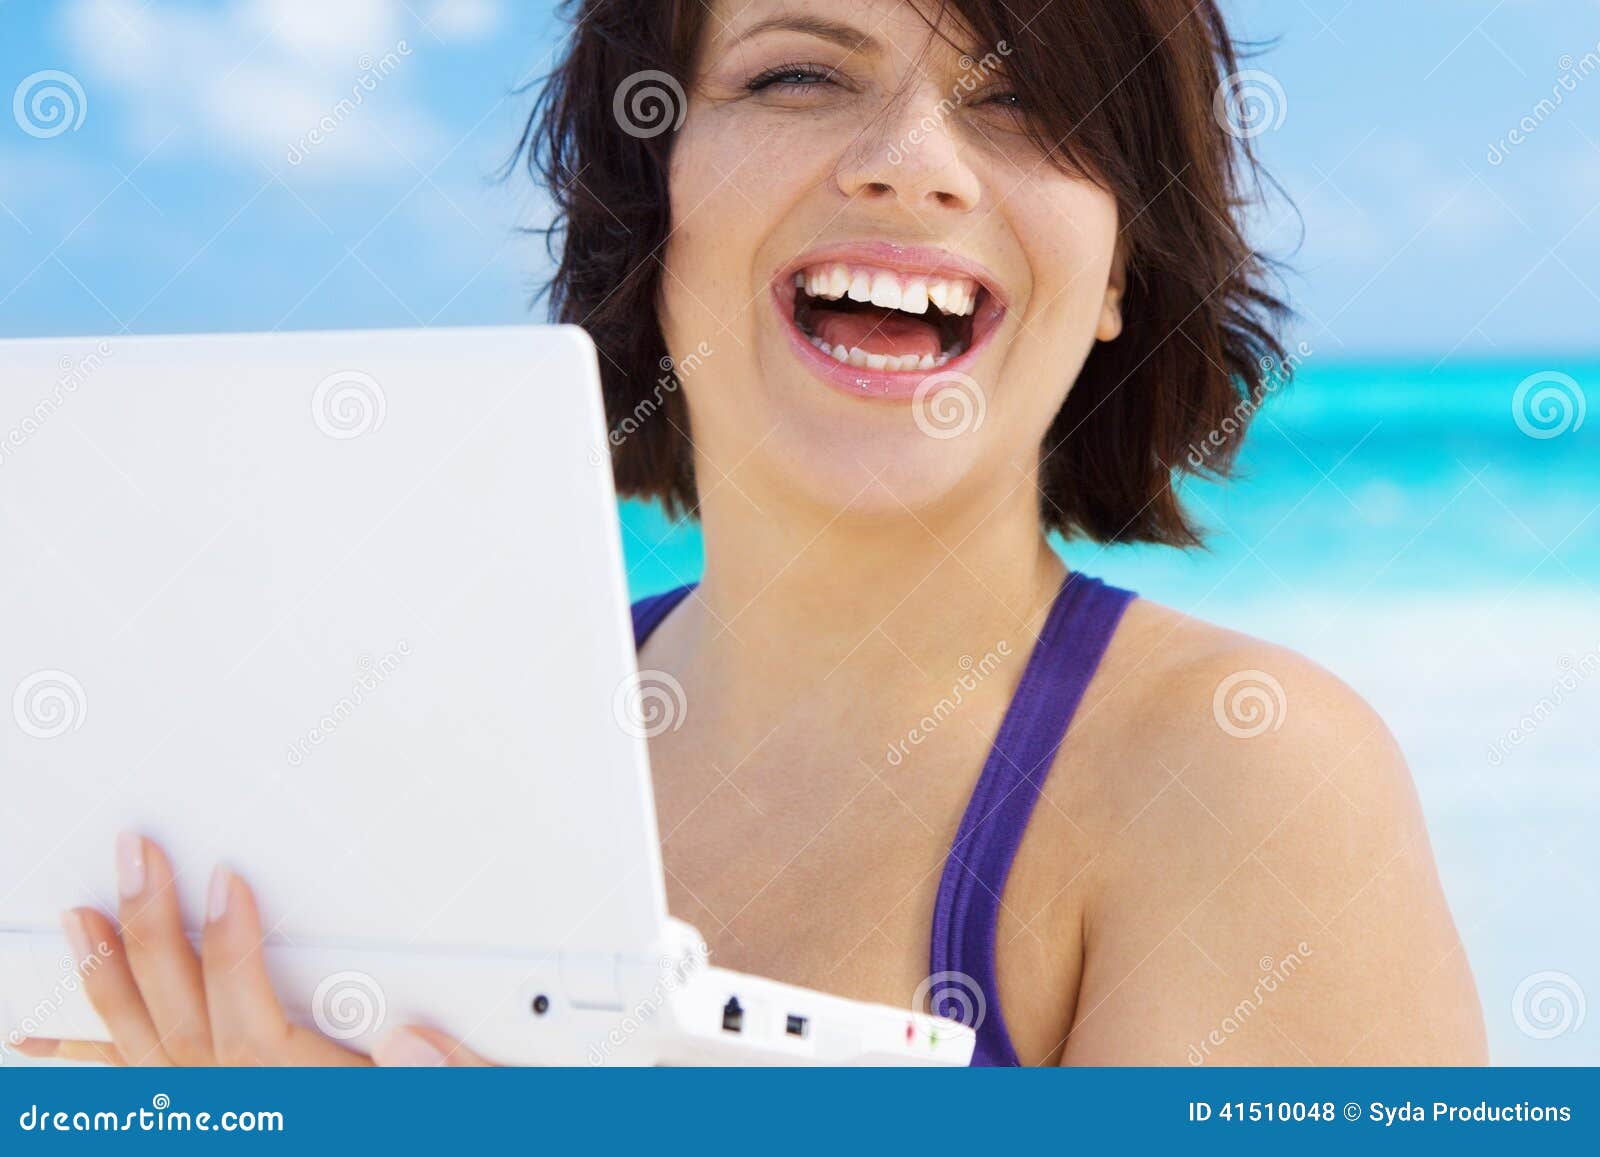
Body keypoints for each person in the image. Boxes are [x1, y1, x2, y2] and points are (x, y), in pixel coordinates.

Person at [22, 0, 1486, 1067]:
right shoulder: (405, 742)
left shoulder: (1248, 775)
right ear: (653, 200)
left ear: (1119, 271)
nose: (913, 163)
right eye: (797, 73)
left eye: (1030, 100)